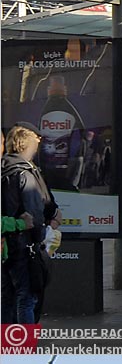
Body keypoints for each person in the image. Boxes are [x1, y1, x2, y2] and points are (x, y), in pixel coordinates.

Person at [2, 124, 61, 324]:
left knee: (8, 298)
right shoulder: (24, 173)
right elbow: (33, 210)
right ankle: (26, 349)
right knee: (27, 298)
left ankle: (8, 347)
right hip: (24, 244)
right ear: (26, 146)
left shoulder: (4, 169)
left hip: (6, 245)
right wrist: (42, 235)